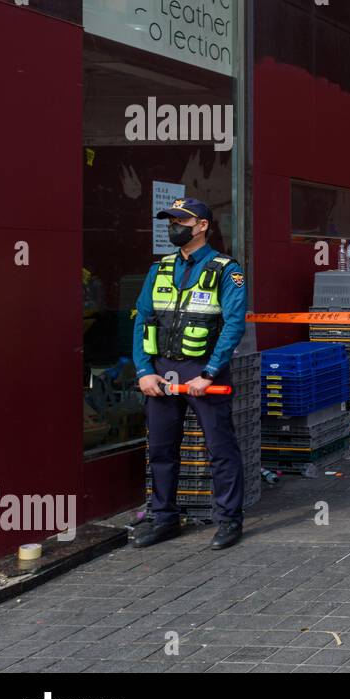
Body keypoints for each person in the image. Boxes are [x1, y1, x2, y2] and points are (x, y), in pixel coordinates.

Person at [131, 197, 248, 550]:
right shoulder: (160, 268)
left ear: (202, 227)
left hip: (203, 370)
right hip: (161, 371)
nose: (173, 227)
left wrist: (210, 373)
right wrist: (143, 371)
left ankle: (229, 520)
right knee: (162, 448)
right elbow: (141, 319)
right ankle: (164, 518)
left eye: (181, 222)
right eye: (170, 221)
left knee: (220, 448)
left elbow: (233, 325)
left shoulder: (227, 270)